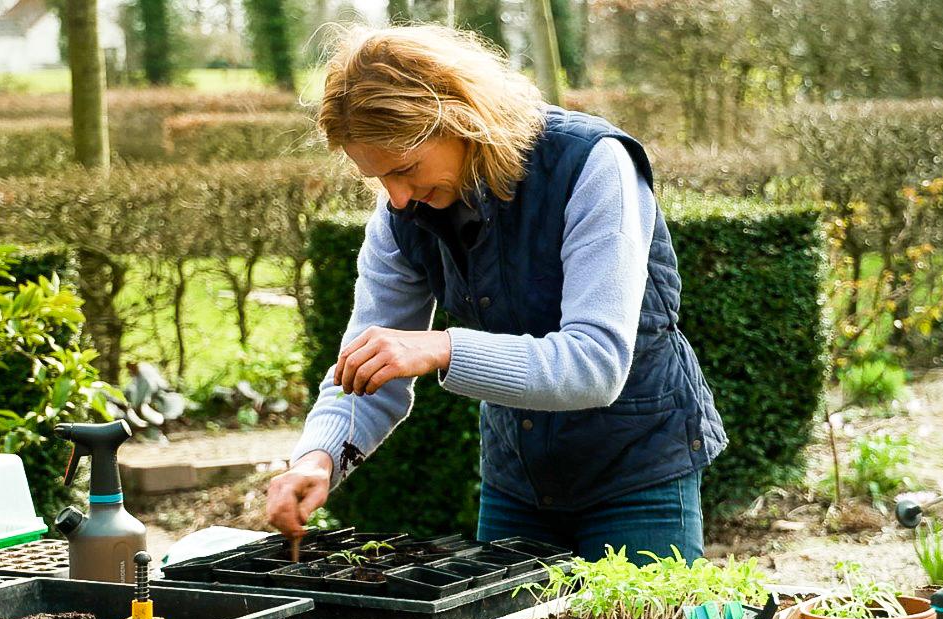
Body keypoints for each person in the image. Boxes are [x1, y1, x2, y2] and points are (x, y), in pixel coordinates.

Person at [266, 24, 726, 563]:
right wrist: (318, 457)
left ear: (461, 118)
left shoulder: (594, 166)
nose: (396, 196)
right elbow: (367, 368)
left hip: (638, 473)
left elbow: (595, 363)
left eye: (405, 169)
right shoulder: (402, 212)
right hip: (516, 483)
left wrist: (441, 347)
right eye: (377, 177)